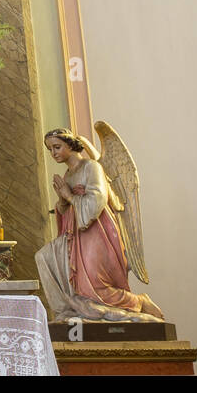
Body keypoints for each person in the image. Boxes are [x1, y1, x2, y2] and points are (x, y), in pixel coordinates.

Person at [35, 128, 164, 321]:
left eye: (57, 147)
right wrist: (62, 200)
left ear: (70, 145)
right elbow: (66, 209)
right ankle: (67, 310)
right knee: (44, 257)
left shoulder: (91, 167)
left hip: (96, 230)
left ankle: (138, 302)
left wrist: (69, 195)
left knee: (95, 286)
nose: (53, 153)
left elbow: (98, 199)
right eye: (50, 149)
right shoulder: (69, 174)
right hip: (76, 231)